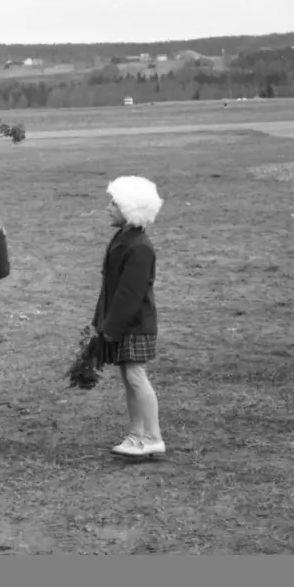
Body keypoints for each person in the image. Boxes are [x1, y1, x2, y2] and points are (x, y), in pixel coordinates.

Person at [92, 176, 166, 458]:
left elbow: (129, 295)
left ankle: (153, 436)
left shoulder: (139, 248)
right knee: (129, 377)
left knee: (136, 375)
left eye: (115, 202)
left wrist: (110, 328)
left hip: (135, 326)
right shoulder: (124, 240)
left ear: (131, 208)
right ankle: (137, 434)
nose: (108, 207)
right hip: (123, 325)